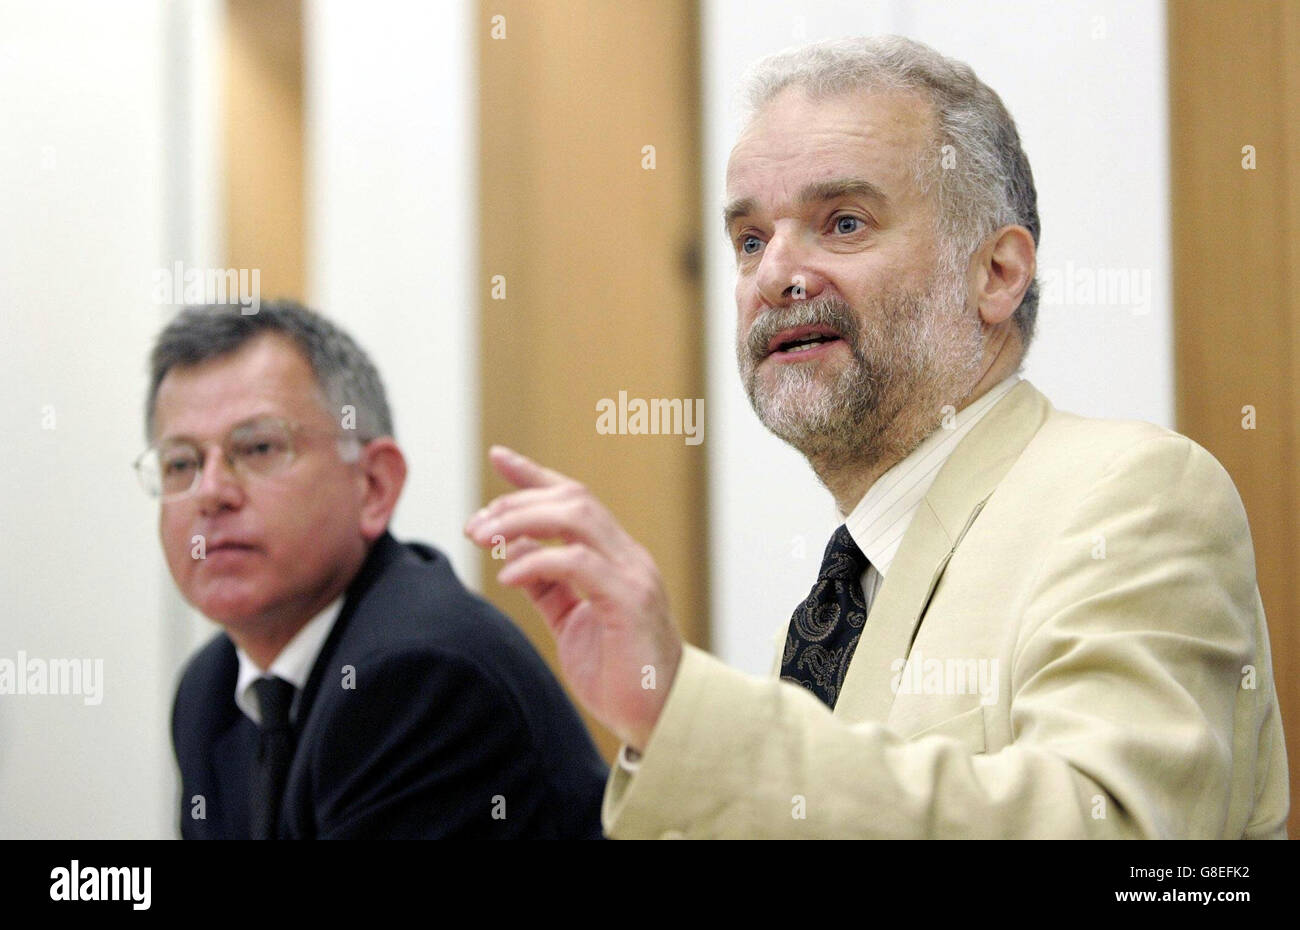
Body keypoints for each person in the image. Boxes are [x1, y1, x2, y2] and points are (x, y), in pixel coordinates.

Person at [464, 36, 1289, 838]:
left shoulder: (1134, 497)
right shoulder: (837, 600)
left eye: (844, 223)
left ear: (997, 273)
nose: (776, 274)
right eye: (750, 239)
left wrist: (688, 712)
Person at [143, 299, 606, 839]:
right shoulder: (212, 690)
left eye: (259, 447)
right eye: (181, 463)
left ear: (374, 486)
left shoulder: (417, 675)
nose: (212, 493)